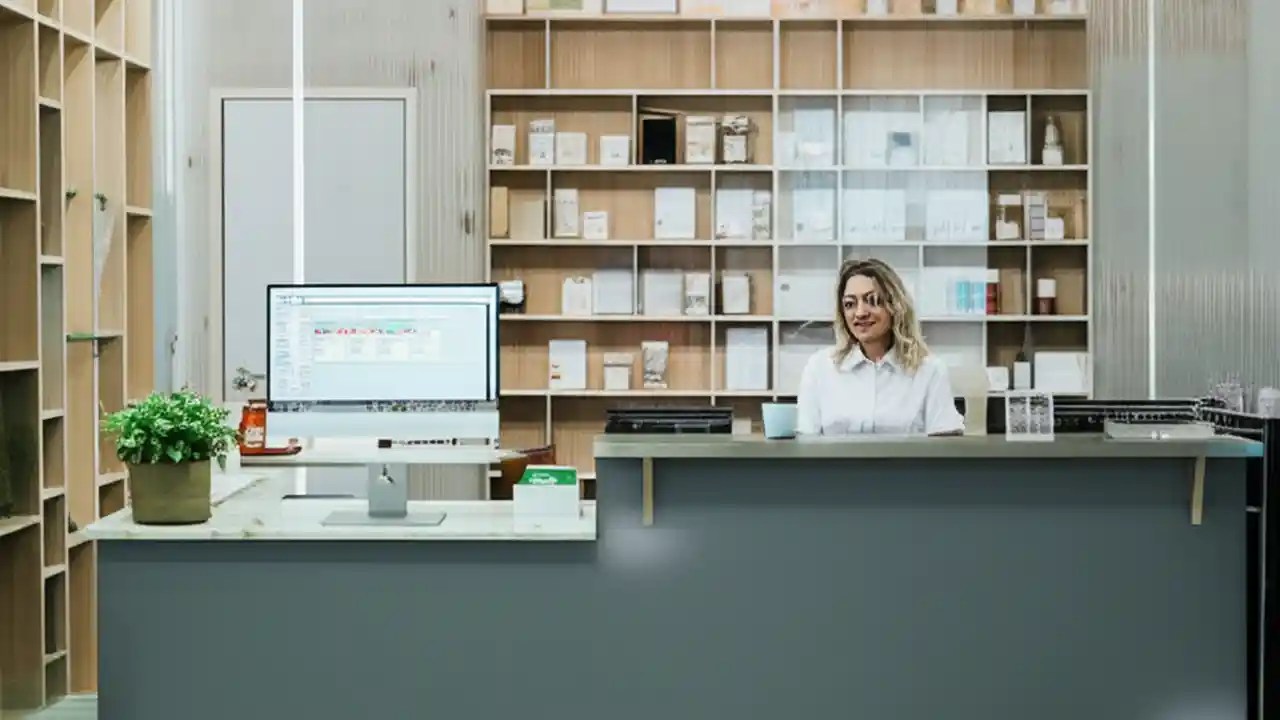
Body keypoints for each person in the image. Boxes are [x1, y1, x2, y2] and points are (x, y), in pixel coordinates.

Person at [797, 258, 964, 436]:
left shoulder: (930, 371)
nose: (860, 313)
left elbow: (945, 449)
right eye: (850, 304)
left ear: (895, 306)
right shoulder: (820, 368)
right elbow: (805, 446)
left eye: (873, 300)